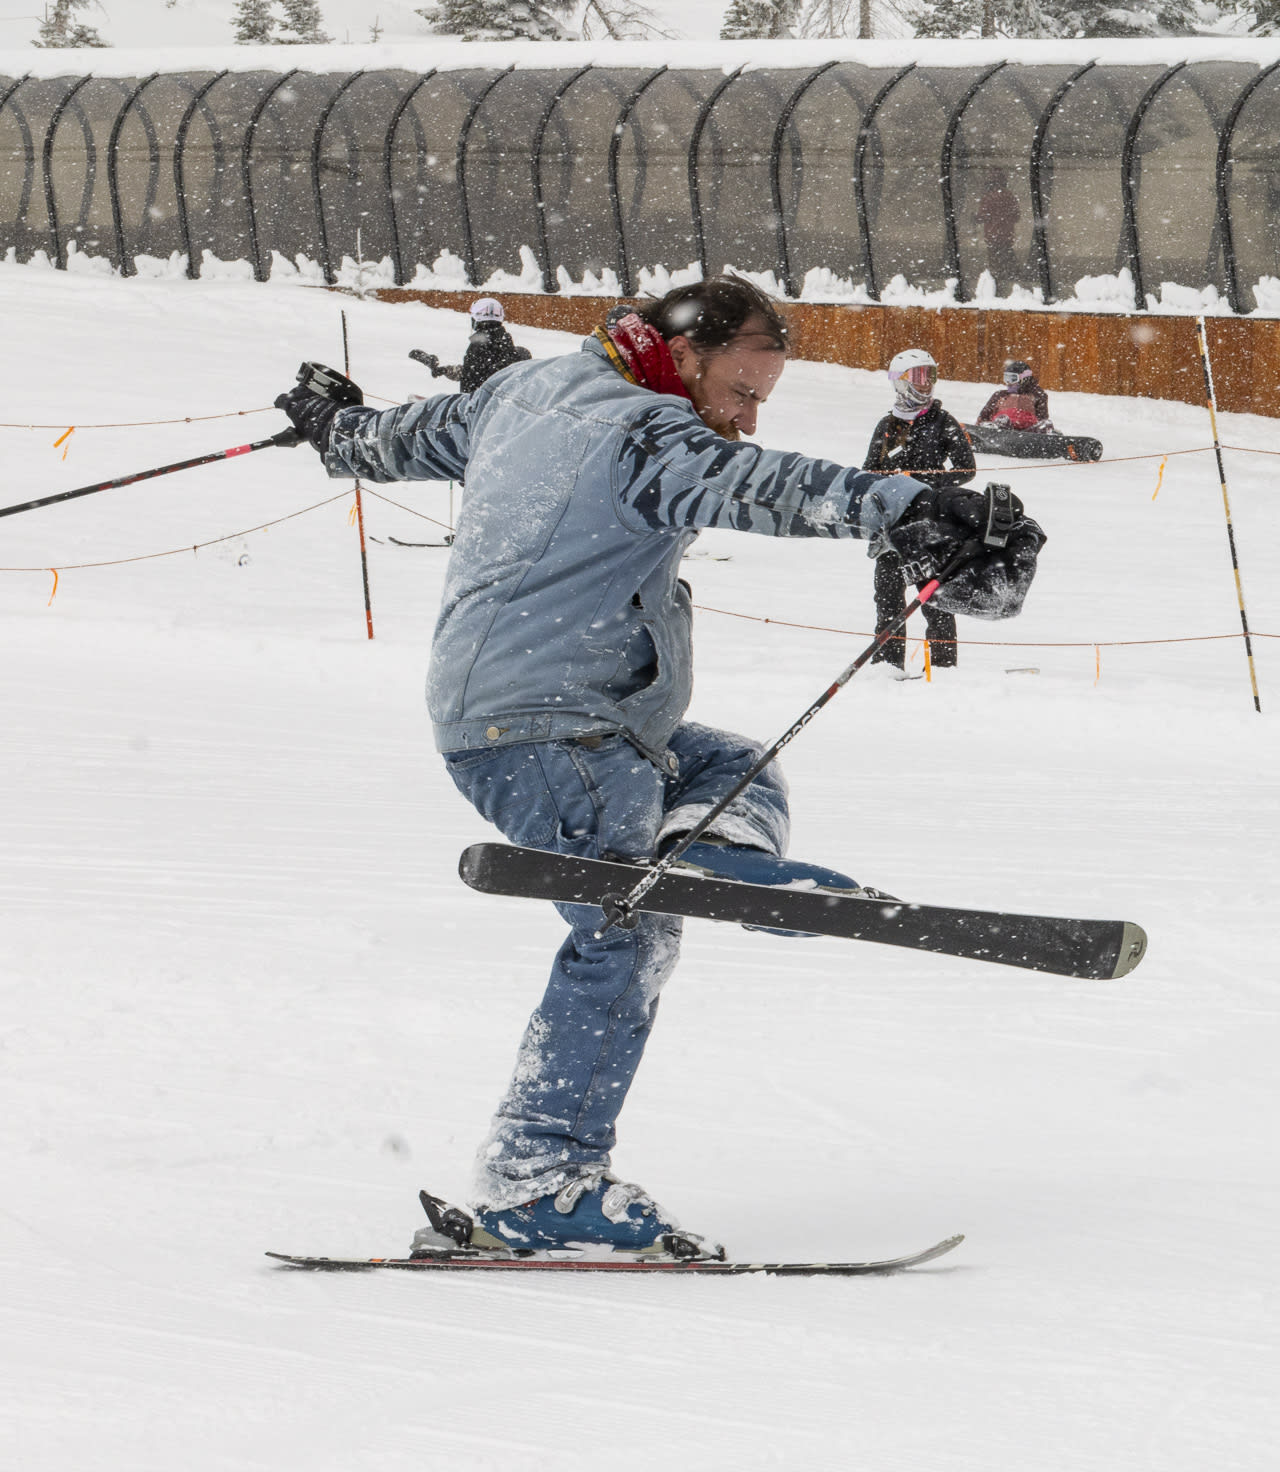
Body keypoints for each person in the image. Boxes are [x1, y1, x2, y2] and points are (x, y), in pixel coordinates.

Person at [275, 277, 1043, 1260]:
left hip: (546, 718)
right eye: (740, 386)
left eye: (762, 397)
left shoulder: (525, 391)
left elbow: (397, 441)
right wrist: (921, 508)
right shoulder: (644, 432)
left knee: (725, 767)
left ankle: (703, 850)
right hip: (551, 729)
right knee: (622, 933)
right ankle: (539, 1180)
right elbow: (765, 486)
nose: (745, 414)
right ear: (683, 355)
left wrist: (335, 423)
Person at [863, 348, 976, 671]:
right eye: (918, 377)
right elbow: (868, 471)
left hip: (930, 527)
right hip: (893, 527)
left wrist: (927, 482)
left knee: (936, 602)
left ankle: (942, 668)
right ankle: (888, 665)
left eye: (930, 376)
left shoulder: (942, 421)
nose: (925, 384)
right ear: (899, 382)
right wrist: (891, 480)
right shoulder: (887, 425)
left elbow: (966, 468)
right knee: (888, 600)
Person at [409, 295, 531, 397]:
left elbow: (472, 381)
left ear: (476, 319)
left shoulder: (478, 346)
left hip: (479, 412)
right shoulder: (505, 343)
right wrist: (447, 370)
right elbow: (481, 371)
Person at [976, 168, 1022, 297]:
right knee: (1008, 254)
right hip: (1007, 234)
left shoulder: (988, 198)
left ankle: (997, 286)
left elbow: (982, 216)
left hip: (992, 234)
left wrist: (975, 218)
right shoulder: (1010, 196)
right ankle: (1013, 277)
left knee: (995, 259)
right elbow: (1017, 216)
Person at [977, 358, 1054, 434]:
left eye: (1012, 379)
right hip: (1003, 431)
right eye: (1006, 378)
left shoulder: (1037, 396)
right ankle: (996, 431)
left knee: (1046, 424)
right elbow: (983, 417)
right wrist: (981, 427)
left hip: (1028, 434)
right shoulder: (1000, 395)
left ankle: (1054, 441)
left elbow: (1041, 418)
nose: (1008, 382)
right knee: (1002, 419)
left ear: (1024, 379)